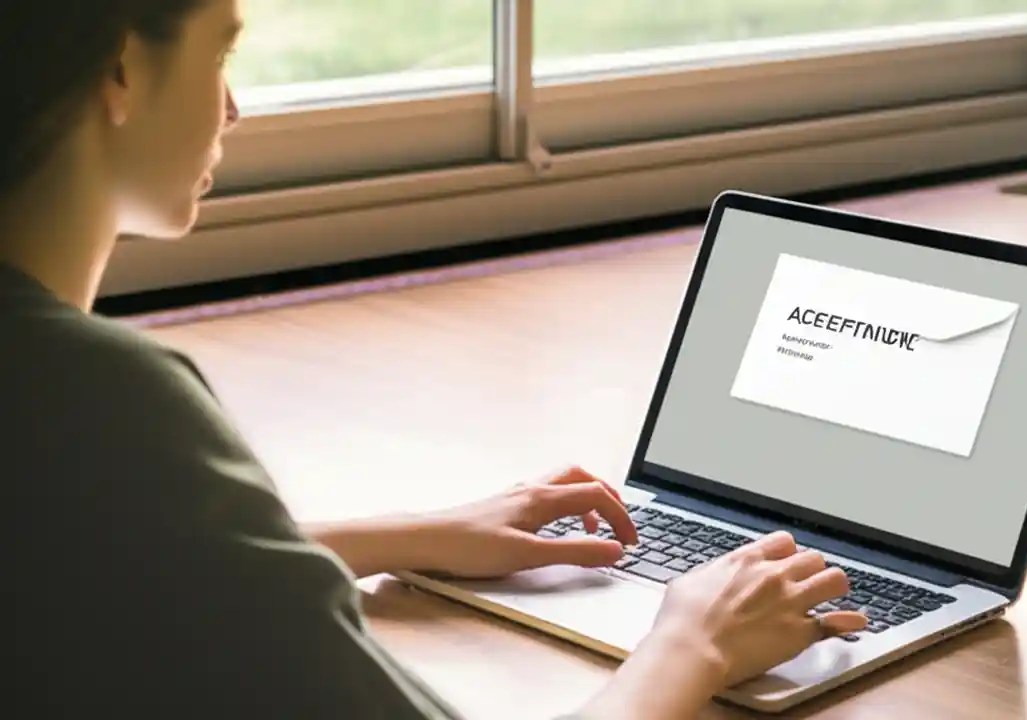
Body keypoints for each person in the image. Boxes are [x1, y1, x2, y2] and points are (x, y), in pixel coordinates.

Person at [0, 1, 868, 717]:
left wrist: (413, 536)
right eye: (222, 51)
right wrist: (695, 639)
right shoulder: (97, 403)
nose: (234, 109)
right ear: (122, 68)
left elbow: (105, 556)